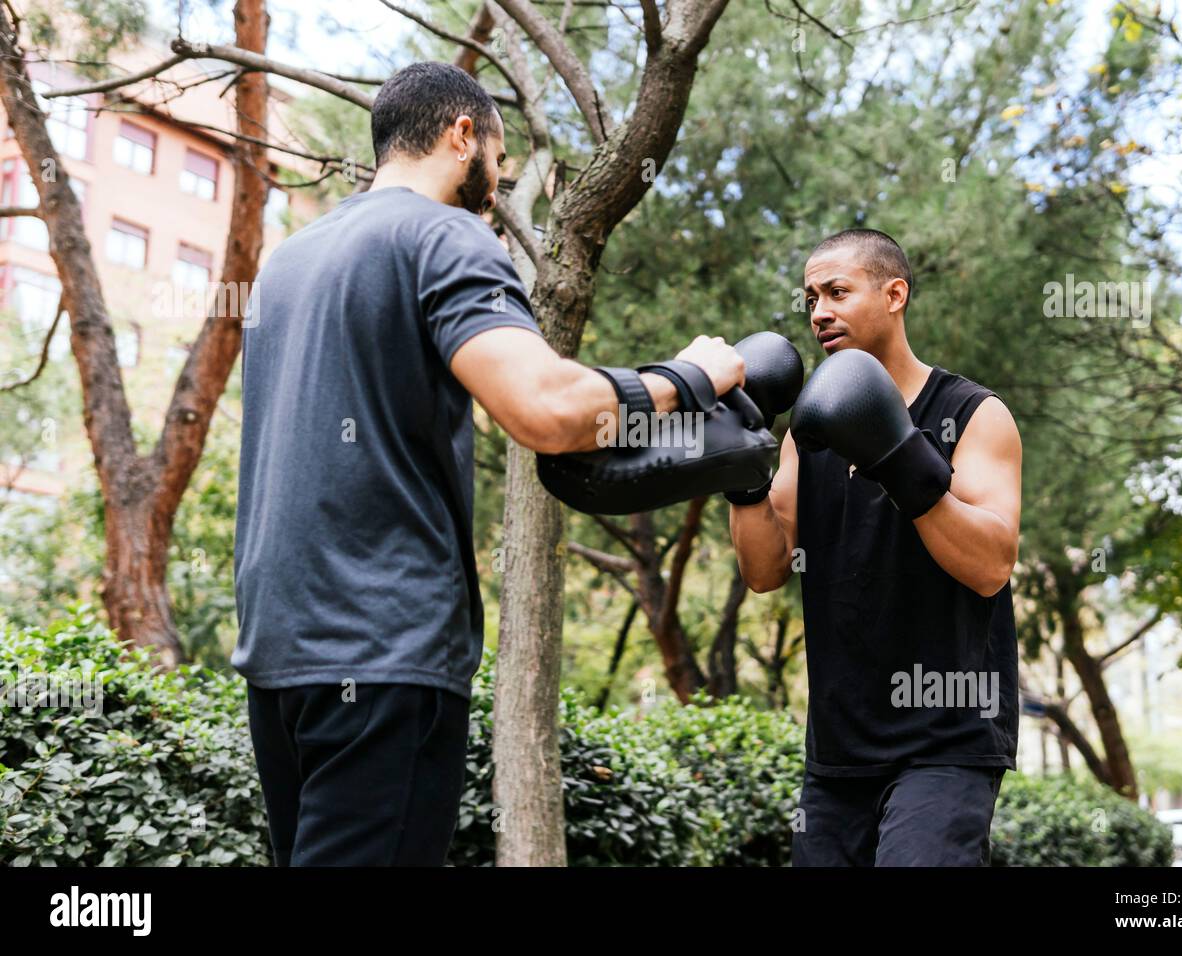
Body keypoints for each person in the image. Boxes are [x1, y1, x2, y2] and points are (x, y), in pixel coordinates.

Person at [232, 62, 745, 866]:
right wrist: (689, 379)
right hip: (383, 647)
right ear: (462, 134)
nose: (498, 188)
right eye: (499, 164)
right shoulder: (441, 234)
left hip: (280, 651)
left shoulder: (288, 262)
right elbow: (546, 410)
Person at [728, 228, 1021, 866]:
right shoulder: (807, 435)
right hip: (837, 751)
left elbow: (992, 566)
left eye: (837, 291)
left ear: (895, 294)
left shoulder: (972, 413)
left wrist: (899, 457)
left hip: (946, 739)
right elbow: (765, 570)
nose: (819, 312)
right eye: (810, 298)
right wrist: (740, 472)